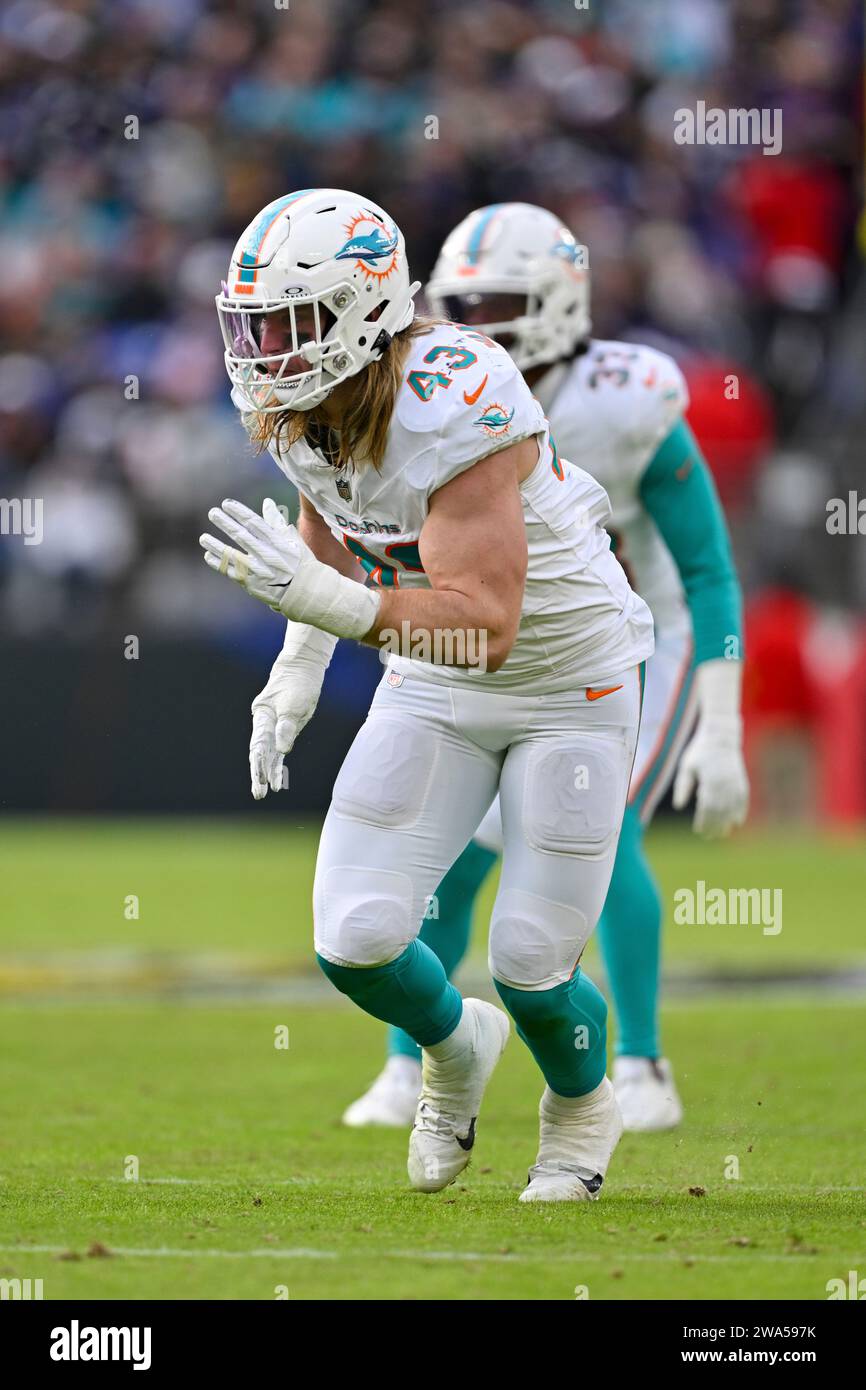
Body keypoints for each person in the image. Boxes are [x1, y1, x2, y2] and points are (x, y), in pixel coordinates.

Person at [201, 188, 655, 1202]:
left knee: (532, 959)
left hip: (564, 682)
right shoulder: (294, 399)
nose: (267, 349)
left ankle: (582, 1103)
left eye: (290, 323)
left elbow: (484, 628)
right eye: (253, 324)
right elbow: (327, 509)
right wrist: (298, 666)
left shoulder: (457, 392)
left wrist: (335, 607)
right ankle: (455, 1049)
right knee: (352, 936)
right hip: (431, 680)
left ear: (363, 312)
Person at [344, 203, 749, 1134]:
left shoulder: (624, 394)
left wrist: (719, 728)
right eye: (461, 301)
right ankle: (411, 1063)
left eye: (500, 299)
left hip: (628, 644)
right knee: (448, 854)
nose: (478, 319)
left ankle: (642, 1063)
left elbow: (706, 574)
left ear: (561, 300)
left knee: (608, 837)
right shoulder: (426, 391)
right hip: (498, 650)